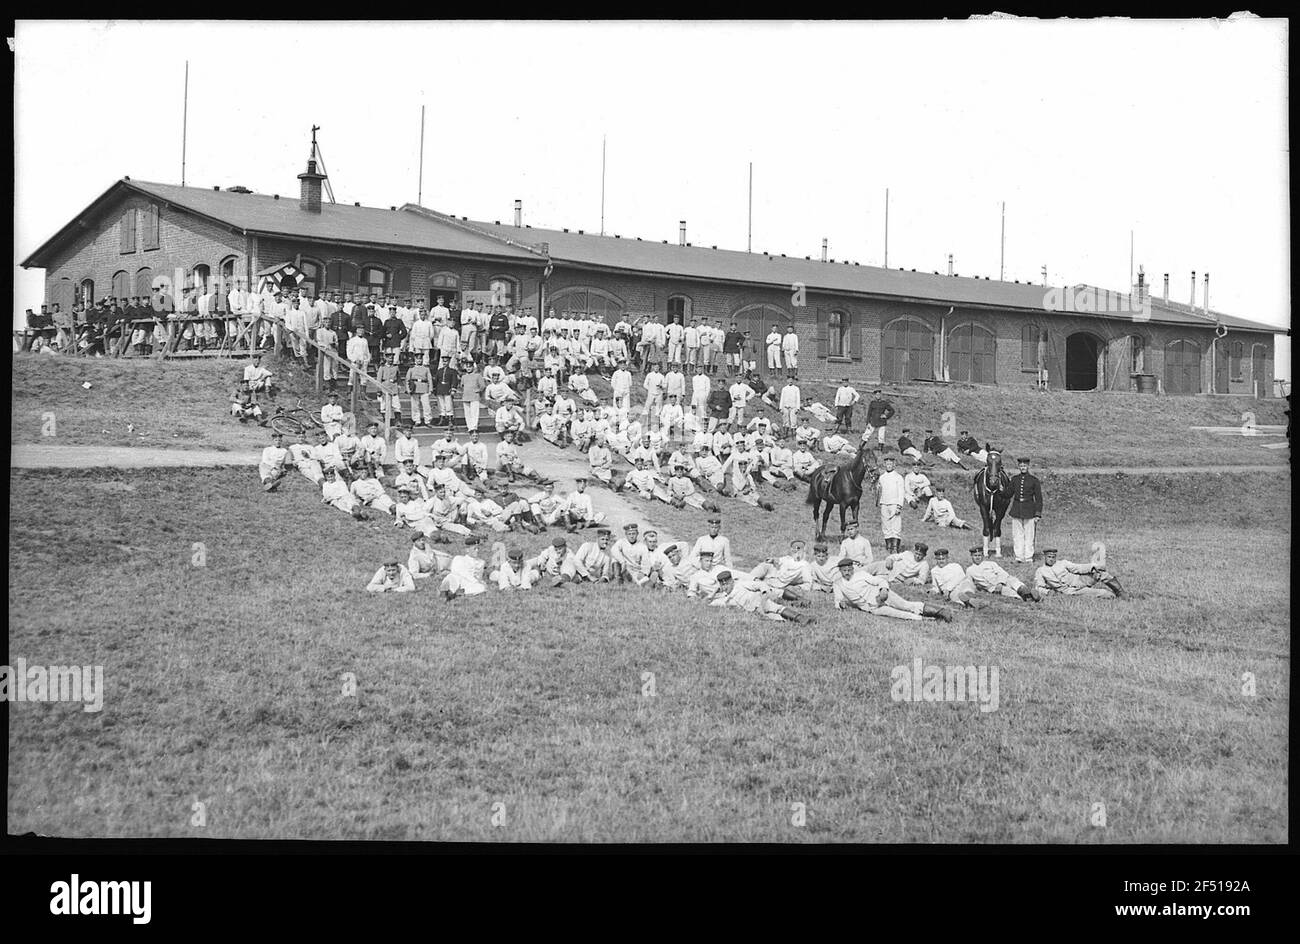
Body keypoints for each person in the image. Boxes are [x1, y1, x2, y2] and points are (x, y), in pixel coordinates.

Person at [834, 558, 952, 621]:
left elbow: (879, 581)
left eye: (850, 569)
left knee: (906, 605)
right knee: (897, 614)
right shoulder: (838, 583)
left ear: (852, 569)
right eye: (845, 570)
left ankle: (941, 611)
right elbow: (838, 600)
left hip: (881, 595)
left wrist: (883, 590)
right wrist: (841, 604)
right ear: (840, 571)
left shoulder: (861, 575)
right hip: (871, 607)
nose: (848, 572)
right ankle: (927, 620)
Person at [1034, 548, 1123, 598]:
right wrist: (1048, 592)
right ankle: (1115, 596)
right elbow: (1039, 587)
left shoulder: (1063, 563)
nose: (1051, 559)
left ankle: (1121, 592)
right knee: (1107, 594)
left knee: (1101, 573)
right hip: (1071, 591)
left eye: (1053, 557)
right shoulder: (1041, 571)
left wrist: (1093, 567)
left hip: (1080, 580)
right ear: (1044, 557)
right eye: (1049, 557)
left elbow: (1078, 568)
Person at [966, 546, 1041, 602]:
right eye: (975, 556)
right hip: (993, 587)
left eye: (979, 555)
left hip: (1003, 579)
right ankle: (1026, 598)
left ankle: (1027, 592)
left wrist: (1000, 582)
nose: (977, 558)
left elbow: (1001, 572)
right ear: (971, 556)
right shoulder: (970, 570)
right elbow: (969, 583)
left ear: (982, 556)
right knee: (1009, 592)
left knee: (1015, 583)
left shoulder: (990, 563)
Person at [1008, 457, 1043, 564]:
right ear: (1018, 467)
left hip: (1030, 510)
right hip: (1017, 509)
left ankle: (1028, 557)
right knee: (1017, 534)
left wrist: (1037, 514)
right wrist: (1000, 489)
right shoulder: (1015, 479)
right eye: (1021, 466)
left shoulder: (1034, 480)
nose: (1023, 468)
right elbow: (1008, 494)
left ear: (1028, 466)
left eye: (1025, 466)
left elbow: (1039, 499)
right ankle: (1019, 556)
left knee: (1029, 535)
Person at [876, 456, 906, 555]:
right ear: (884, 465)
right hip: (884, 503)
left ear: (894, 465)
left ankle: (895, 547)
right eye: (887, 464)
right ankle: (888, 546)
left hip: (894, 503)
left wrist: (899, 506)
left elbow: (901, 492)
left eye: (890, 464)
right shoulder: (882, 477)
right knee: (886, 525)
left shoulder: (898, 477)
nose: (888, 466)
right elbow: (879, 489)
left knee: (895, 525)